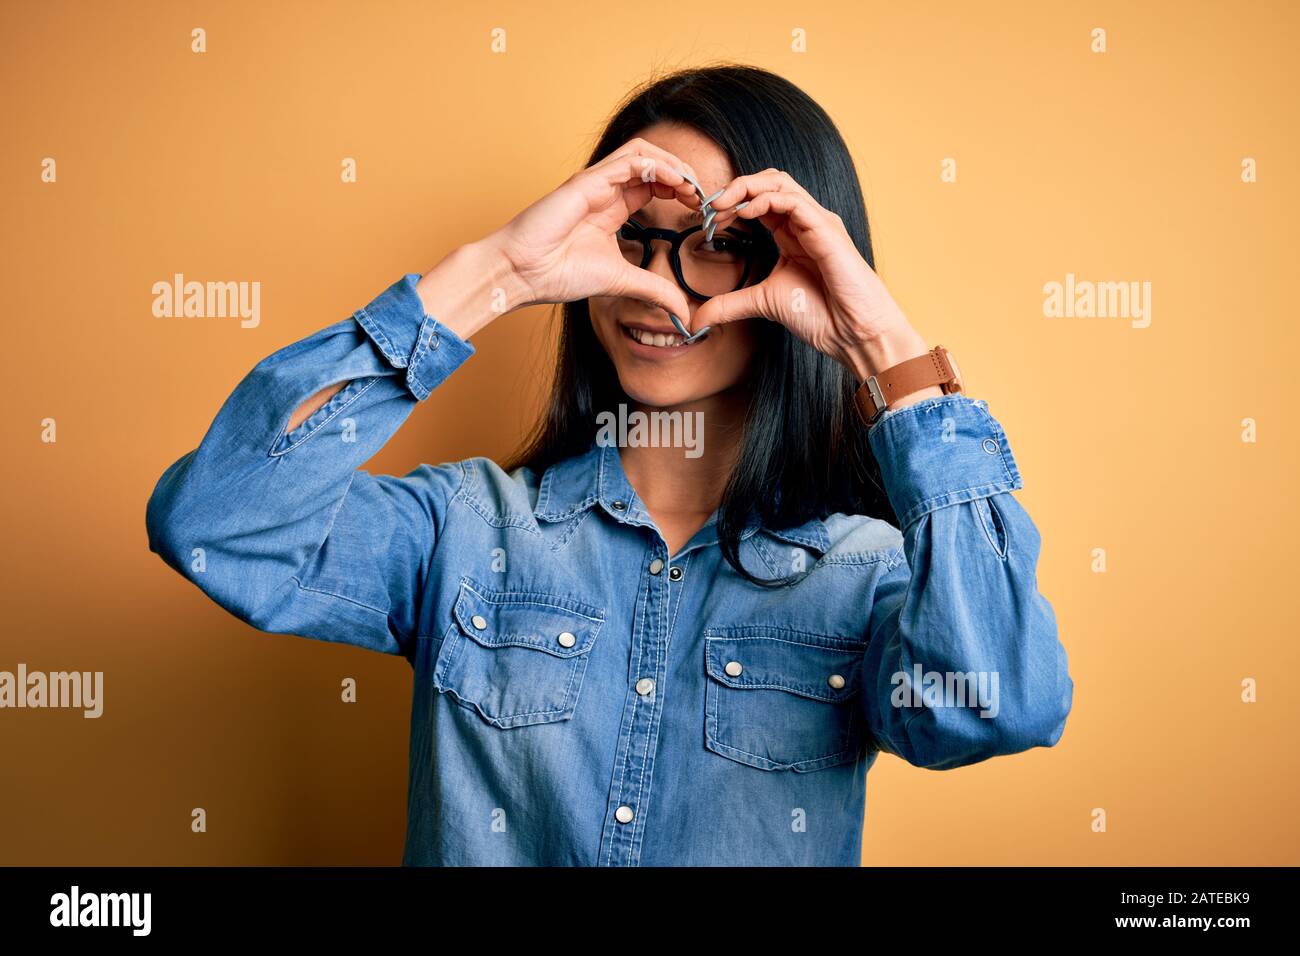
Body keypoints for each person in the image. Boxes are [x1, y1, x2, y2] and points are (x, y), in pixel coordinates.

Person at [145, 64, 1073, 866]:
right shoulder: (462, 529)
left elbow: (996, 706)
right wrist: (497, 274)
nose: (657, 288)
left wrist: (884, 349)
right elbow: (218, 527)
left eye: (714, 247)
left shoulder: (862, 574)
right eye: (632, 239)